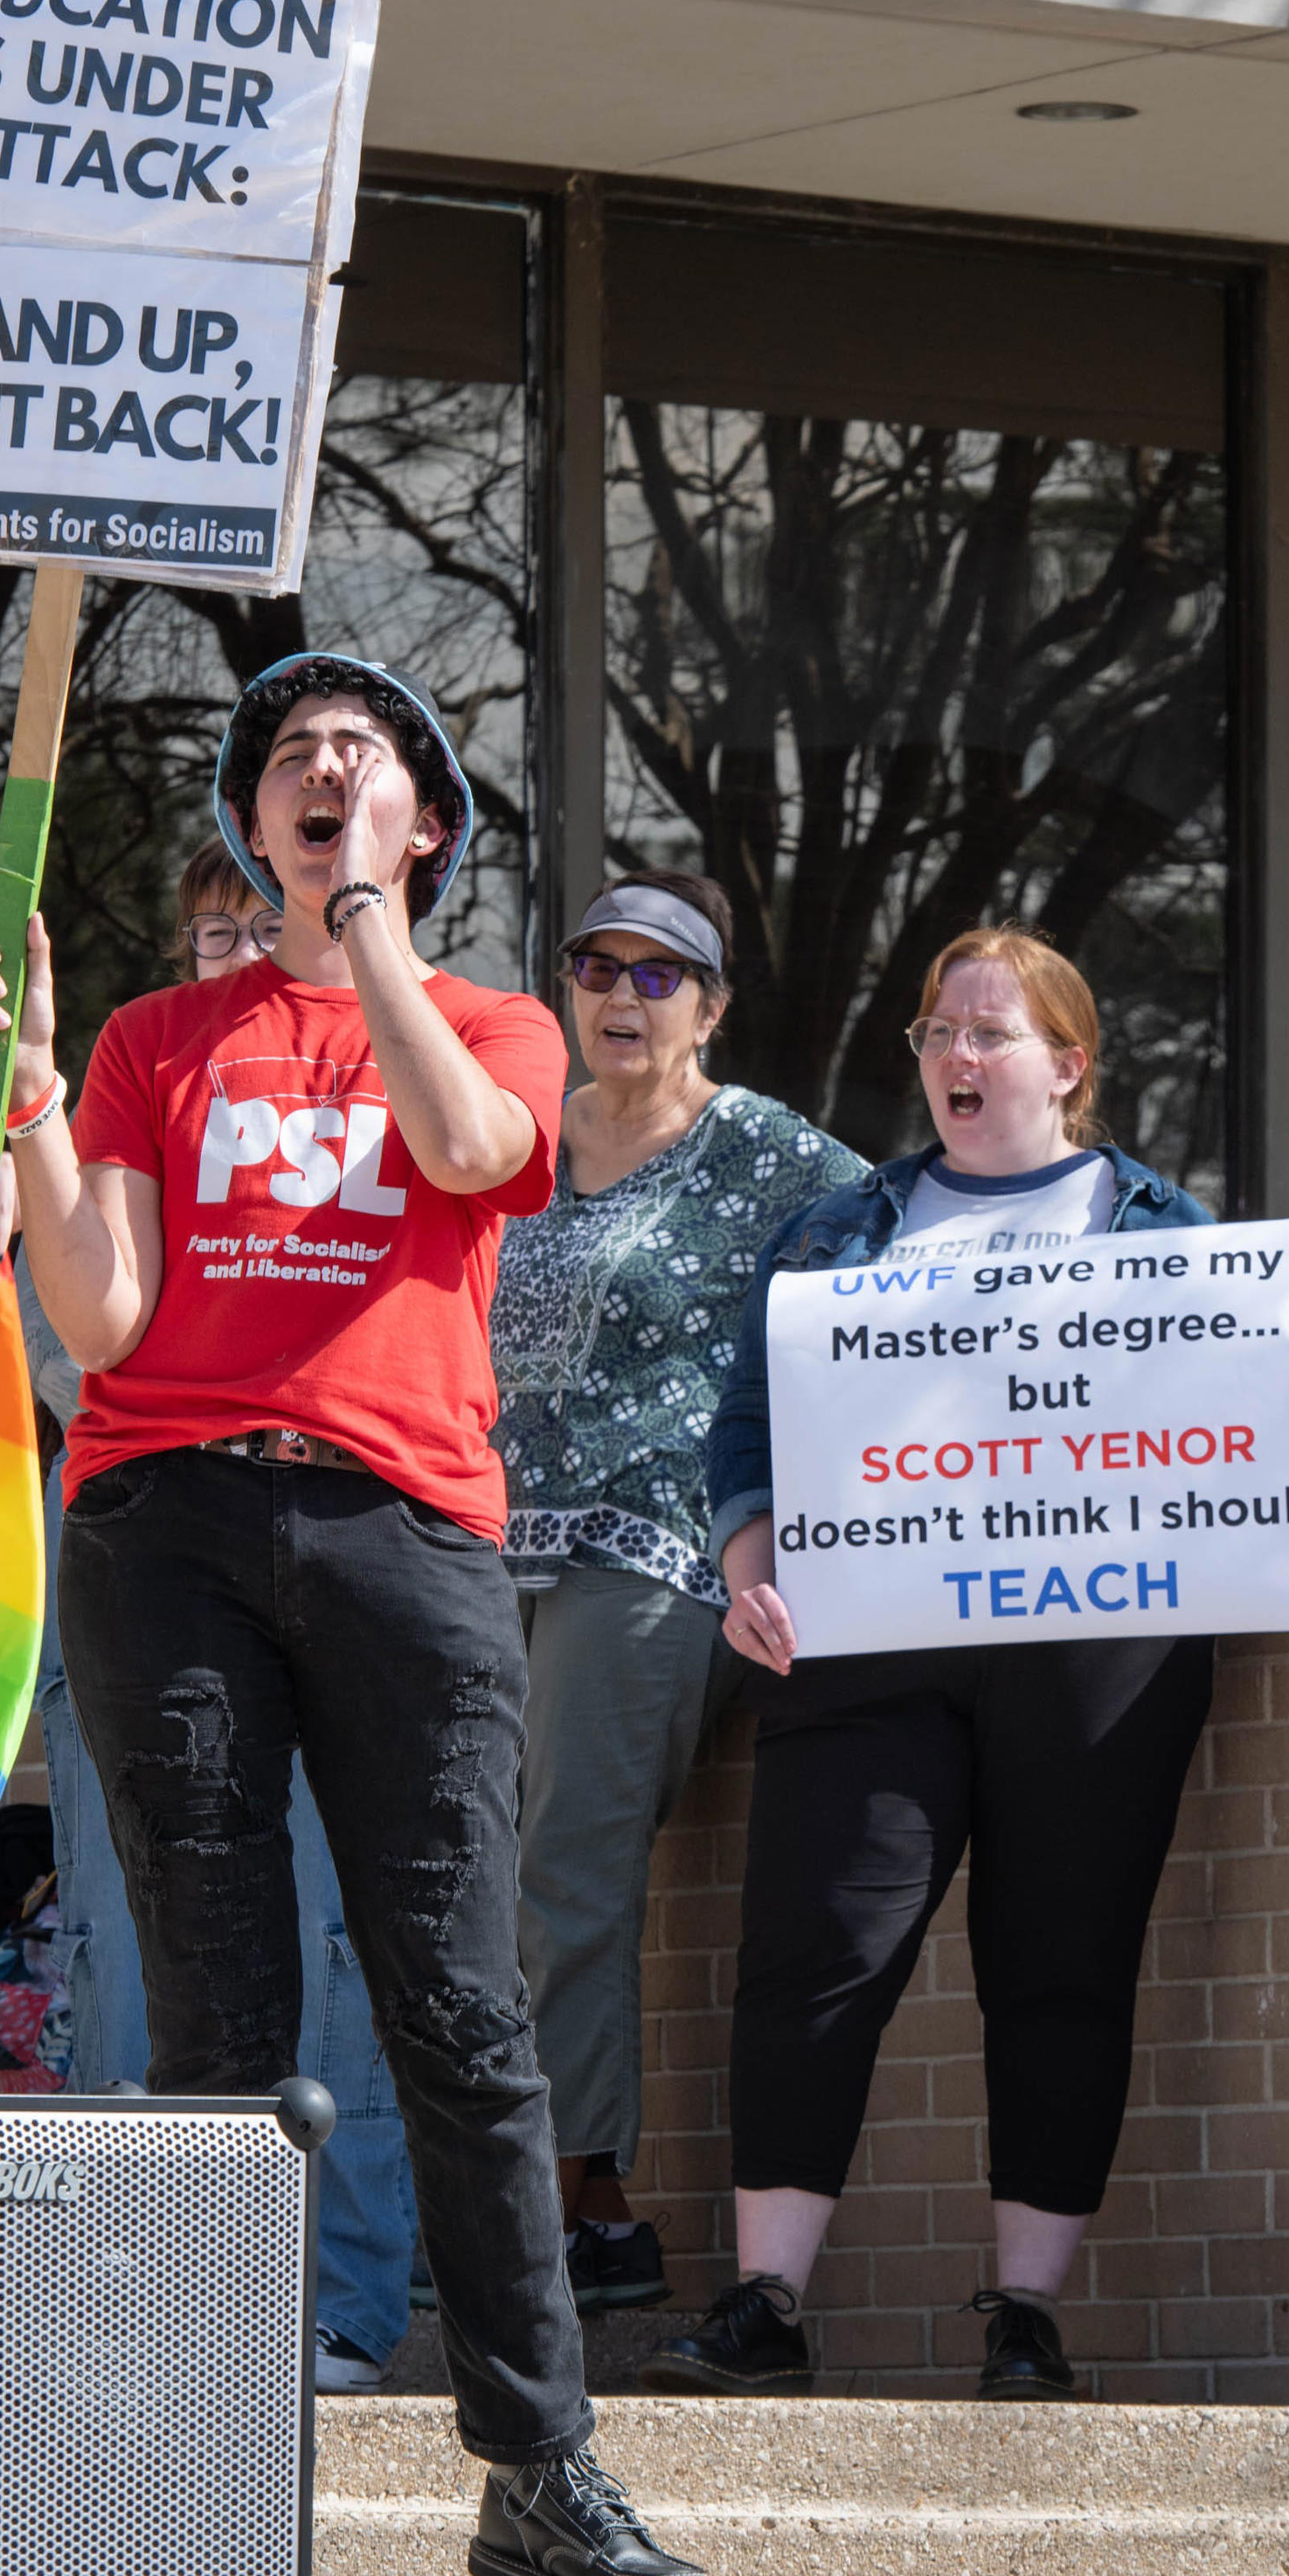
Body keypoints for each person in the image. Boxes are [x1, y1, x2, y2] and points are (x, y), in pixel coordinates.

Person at [0, 651, 716, 2576]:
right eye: (288, 755)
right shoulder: (158, 1037)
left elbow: (469, 1156)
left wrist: (364, 926)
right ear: (248, 818)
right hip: (169, 1520)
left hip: (408, 1530)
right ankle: (191, 2496)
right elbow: (103, 1316)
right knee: (216, 2021)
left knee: (461, 2009)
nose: (319, 770)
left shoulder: (495, 1024)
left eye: (358, 757)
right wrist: (29, 1103)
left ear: (422, 825)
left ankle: (537, 2471)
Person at [641, 925, 1289, 2402]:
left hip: (1097, 1654)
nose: (956, 1059)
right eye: (936, 1033)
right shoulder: (839, 1230)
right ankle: (766, 2301)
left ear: (1068, 1063)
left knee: (1061, 1965)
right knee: (814, 1951)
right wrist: (747, 1570)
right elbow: (744, 1434)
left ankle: (1027, 2317)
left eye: (989, 1033)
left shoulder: (1165, 1230)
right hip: (860, 1646)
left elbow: (1238, 1405)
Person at [26, 836, 421, 2393]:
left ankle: (336, 2305)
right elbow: (77, 1352)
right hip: (141, 1585)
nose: (230, 948)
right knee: (130, 1961)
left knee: (325, 1958)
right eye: (208, 926)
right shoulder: (122, 1107)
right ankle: (149, 2322)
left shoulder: (380, 1096)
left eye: (260, 920)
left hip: (336, 1576)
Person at [494, 872, 864, 2315]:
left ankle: (586, 2205)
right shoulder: (512, 1139)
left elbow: (940, 1249)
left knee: (562, 1856)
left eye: (662, 976)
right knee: (460, 1877)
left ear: (709, 1006)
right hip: (480, 1547)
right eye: (599, 966)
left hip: (658, 1555)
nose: (624, 996)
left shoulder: (767, 1150)